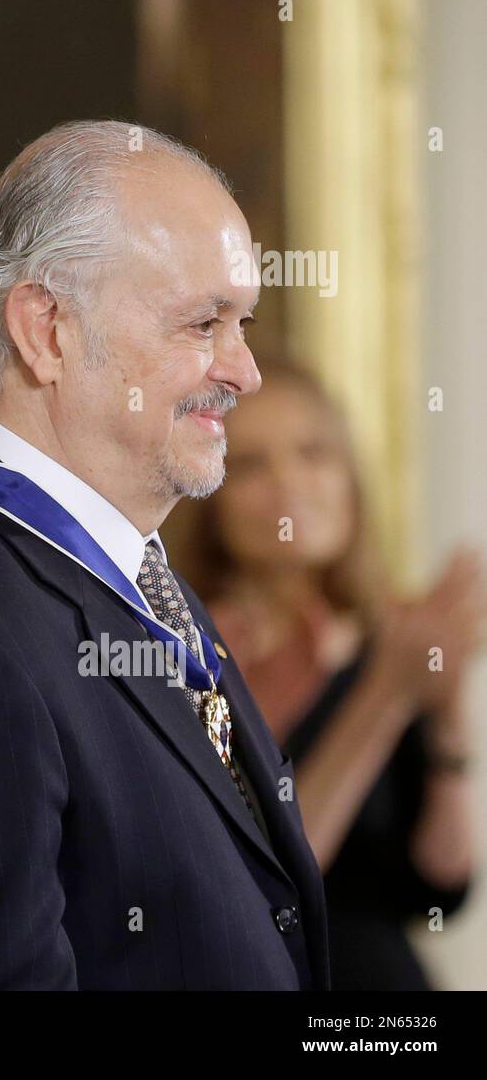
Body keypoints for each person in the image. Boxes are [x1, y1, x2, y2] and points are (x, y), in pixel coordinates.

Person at [0, 120, 331, 989]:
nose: (245, 371)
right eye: (203, 322)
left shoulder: (124, 565)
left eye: (243, 322)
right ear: (45, 329)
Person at [187, 355, 482, 989]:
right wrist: (386, 696)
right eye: (253, 464)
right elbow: (258, 890)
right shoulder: (185, 656)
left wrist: (447, 714)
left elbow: (439, 889)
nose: (290, 484)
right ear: (210, 495)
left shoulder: (391, 642)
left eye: (314, 453)